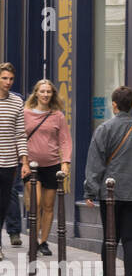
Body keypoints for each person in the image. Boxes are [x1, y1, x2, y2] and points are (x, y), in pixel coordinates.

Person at [84, 86, 132, 276]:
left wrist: (90, 190)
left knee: (110, 237)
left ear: (113, 105)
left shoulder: (104, 129)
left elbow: (94, 163)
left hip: (111, 193)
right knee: (131, 238)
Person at [23, 79, 72, 256]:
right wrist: (23, 162)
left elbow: (65, 140)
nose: (45, 95)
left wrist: (65, 163)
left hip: (52, 165)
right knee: (36, 204)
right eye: (42, 91)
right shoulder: (25, 113)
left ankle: (43, 241)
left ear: (52, 94)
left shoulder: (57, 115)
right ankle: (33, 241)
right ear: (36, 93)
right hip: (31, 167)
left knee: (49, 206)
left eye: (48, 92)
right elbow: (19, 138)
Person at [0, 63, 30, 259]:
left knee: (3, 205)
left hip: (9, 163)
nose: (8, 82)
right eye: (4, 78)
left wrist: (25, 162)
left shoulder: (17, 102)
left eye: (11, 79)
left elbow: (20, 134)